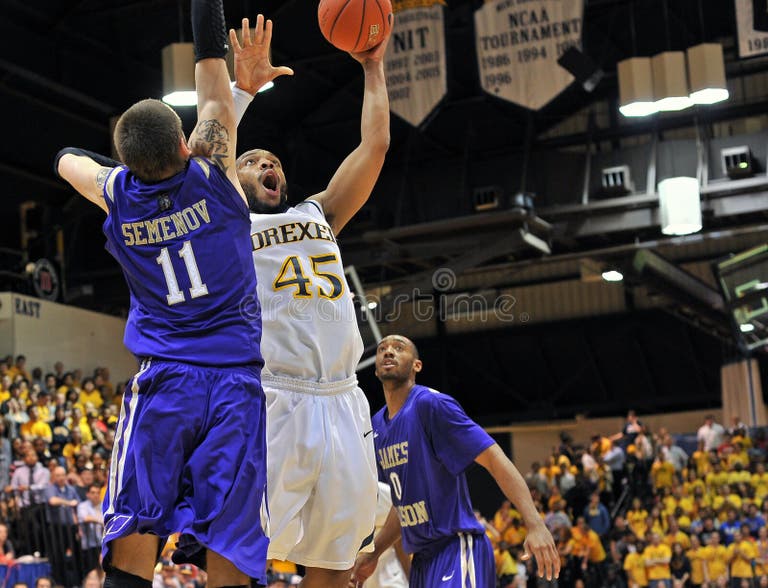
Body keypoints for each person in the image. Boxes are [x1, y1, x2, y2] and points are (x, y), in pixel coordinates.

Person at [54, 2, 268, 587]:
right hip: (235, 384)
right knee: (231, 543)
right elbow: (210, 67)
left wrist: (115, 172)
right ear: (186, 144)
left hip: (165, 381)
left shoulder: (117, 196)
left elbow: (68, 161)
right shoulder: (213, 172)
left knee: (134, 536)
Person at [175, 12, 390, 588]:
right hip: (272, 398)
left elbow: (375, 146)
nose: (267, 163)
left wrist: (372, 66)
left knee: (335, 562)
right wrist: (242, 92)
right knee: (237, 549)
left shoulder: (318, 212)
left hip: (344, 400)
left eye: (273, 161)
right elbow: (206, 154)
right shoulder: (225, 220)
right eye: (252, 160)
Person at [351, 335, 559, 587]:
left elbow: (494, 458)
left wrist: (534, 523)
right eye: (382, 349)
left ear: (417, 365)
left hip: (456, 546)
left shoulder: (431, 405)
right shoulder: (377, 427)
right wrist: (374, 552)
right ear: (375, 369)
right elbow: (403, 504)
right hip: (423, 559)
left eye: (399, 348)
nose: (388, 352)